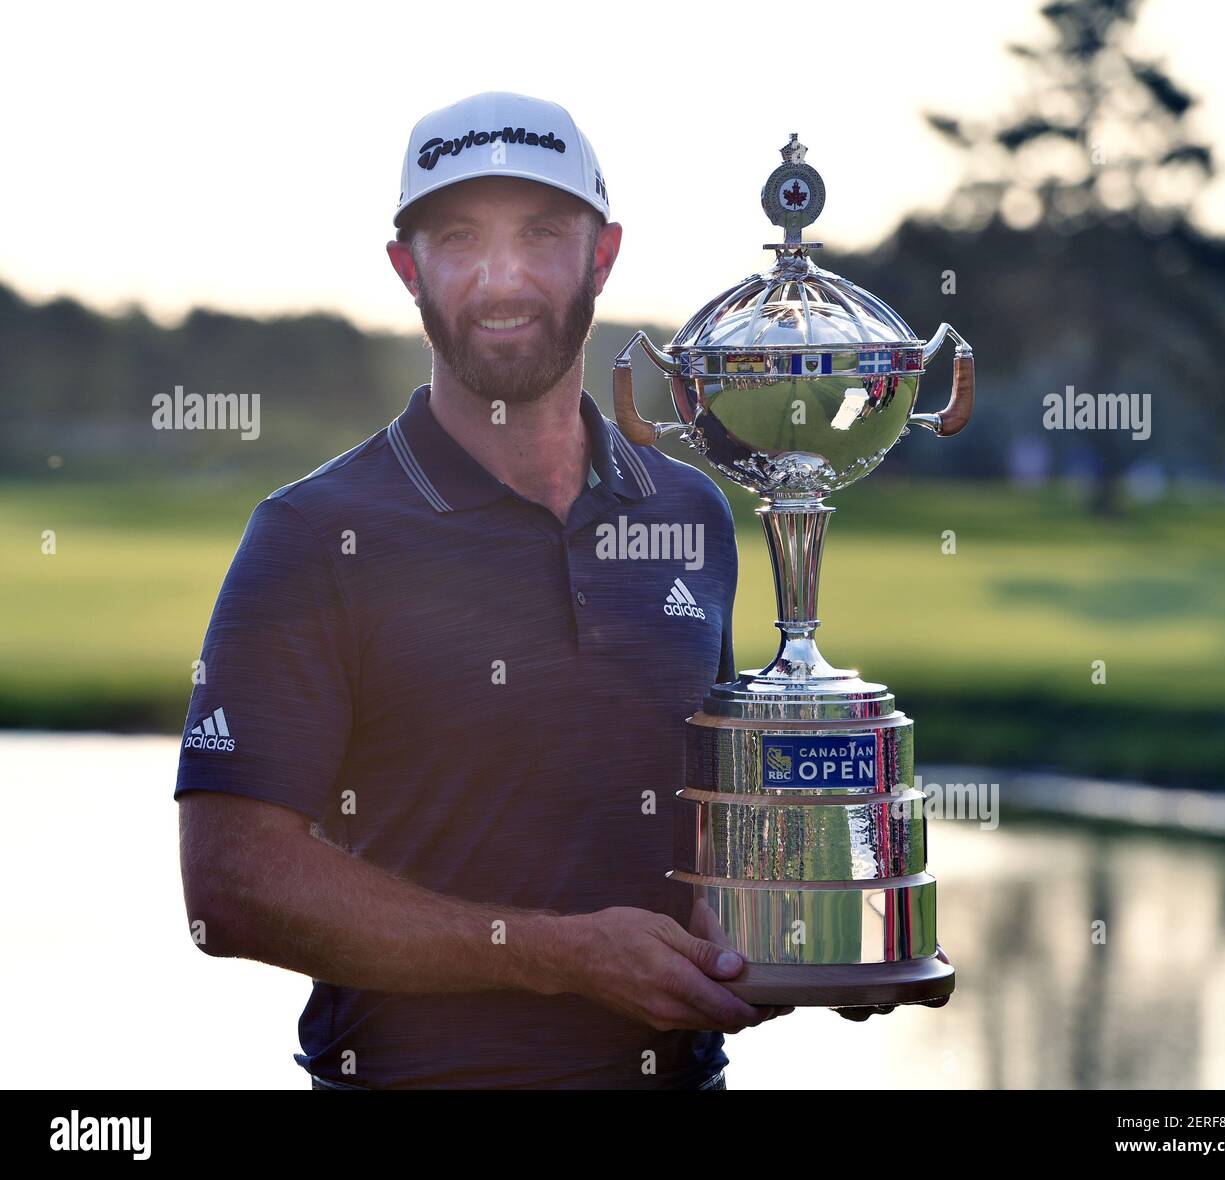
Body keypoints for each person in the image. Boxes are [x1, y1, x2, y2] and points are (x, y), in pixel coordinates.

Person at [174, 91, 792, 1090]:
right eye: (460, 238)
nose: (502, 277)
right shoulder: (310, 536)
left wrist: (774, 937)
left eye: (541, 234)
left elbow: (709, 816)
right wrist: (555, 955)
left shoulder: (692, 512)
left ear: (602, 256)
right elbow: (229, 887)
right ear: (407, 269)